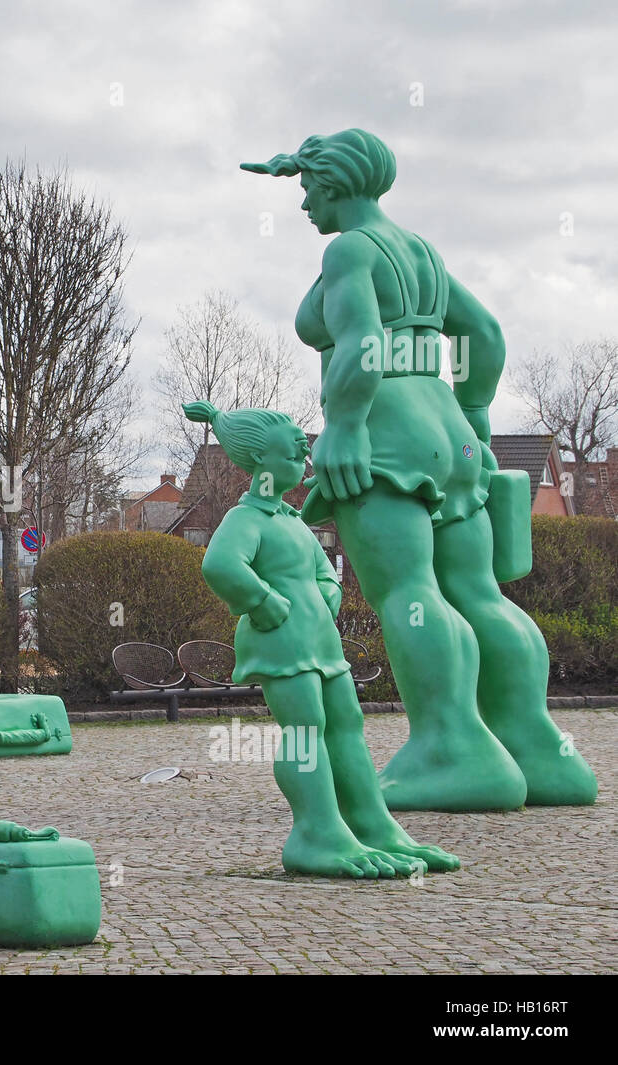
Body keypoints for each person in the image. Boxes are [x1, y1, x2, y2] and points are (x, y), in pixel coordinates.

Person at [241, 129, 595, 809]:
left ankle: (452, 746)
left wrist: (344, 425)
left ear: (337, 185)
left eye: (311, 189)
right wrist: (475, 417)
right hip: (447, 422)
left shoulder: (347, 248)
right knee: (478, 590)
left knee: (409, 591)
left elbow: (363, 339)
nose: (305, 203)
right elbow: (484, 333)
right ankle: (536, 748)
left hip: (387, 425)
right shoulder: (421, 252)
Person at [189, 400, 458, 877]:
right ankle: (316, 832)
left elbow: (323, 570)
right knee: (305, 728)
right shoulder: (245, 520)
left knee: (347, 724)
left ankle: (371, 824)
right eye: (293, 455)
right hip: (282, 641)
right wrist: (262, 601)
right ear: (259, 460)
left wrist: (330, 590)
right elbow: (220, 565)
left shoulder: (292, 523)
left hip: (321, 641)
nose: (303, 462)